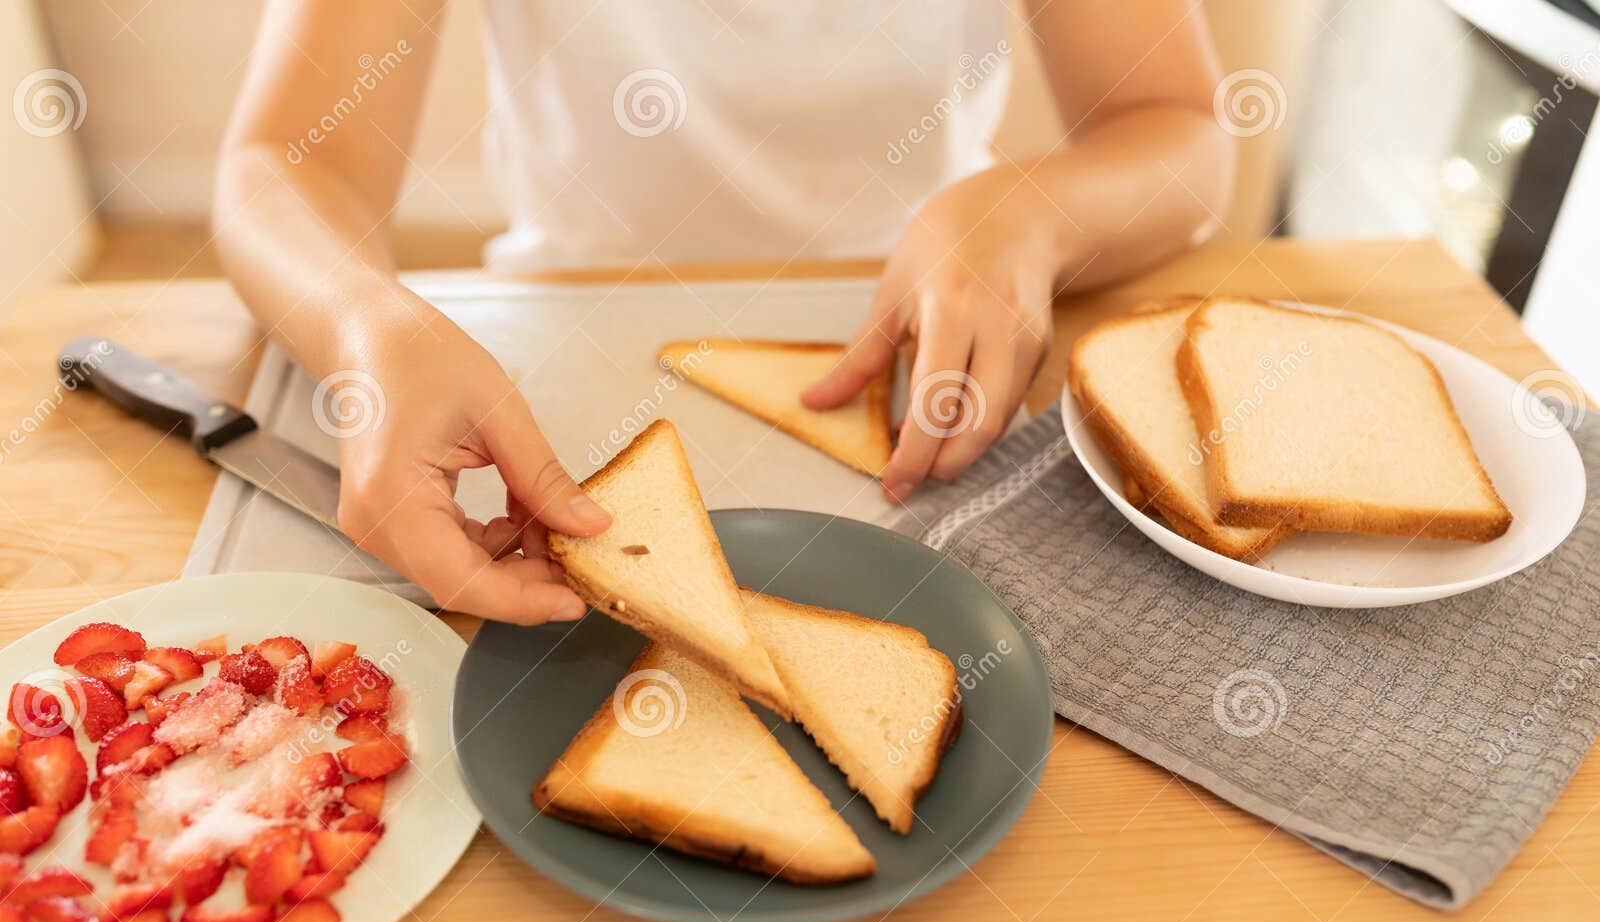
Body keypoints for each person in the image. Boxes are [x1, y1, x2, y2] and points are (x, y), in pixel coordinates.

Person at [214, 0, 1233, 624]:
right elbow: (284, 164)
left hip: (938, 326)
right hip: (553, 345)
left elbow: (1179, 130)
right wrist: (365, 327)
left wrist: (1026, 215)